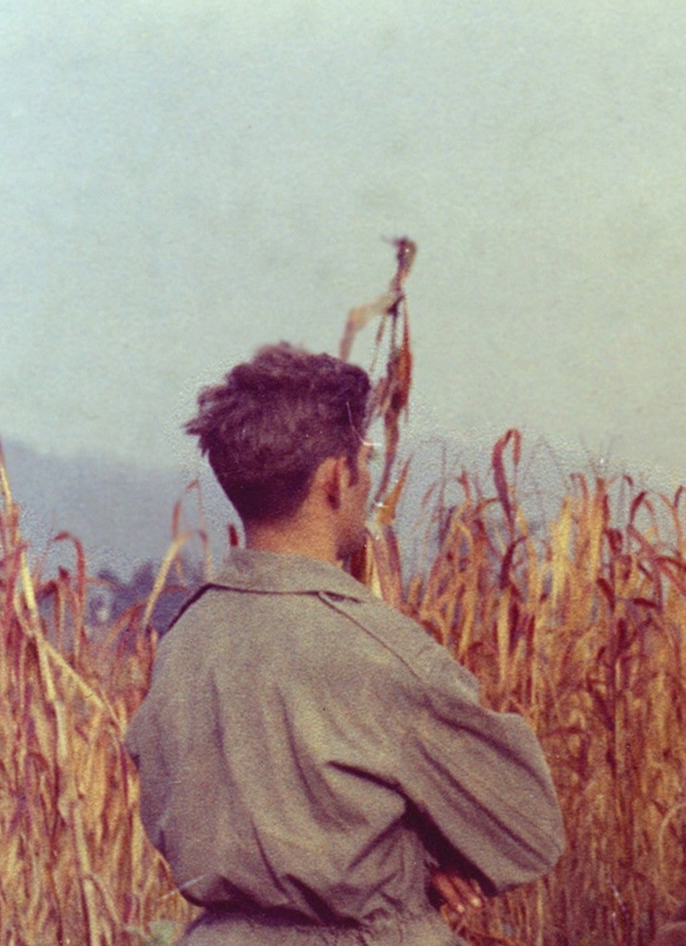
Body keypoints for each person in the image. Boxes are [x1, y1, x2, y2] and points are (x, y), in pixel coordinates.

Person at [125, 344, 565, 945]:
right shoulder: (380, 652)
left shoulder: (183, 642)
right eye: (366, 458)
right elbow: (526, 830)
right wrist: (416, 872)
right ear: (336, 478)